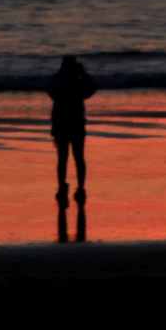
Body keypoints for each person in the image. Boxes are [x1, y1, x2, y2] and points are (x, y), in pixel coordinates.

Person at [46, 54, 95, 239]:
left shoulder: (59, 82)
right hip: (74, 121)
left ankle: (63, 187)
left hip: (62, 121)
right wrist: (84, 74)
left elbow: (49, 90)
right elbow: (92, 88)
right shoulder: (77, 82)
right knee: (77, 156)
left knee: (64, 157)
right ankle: (79, 188)